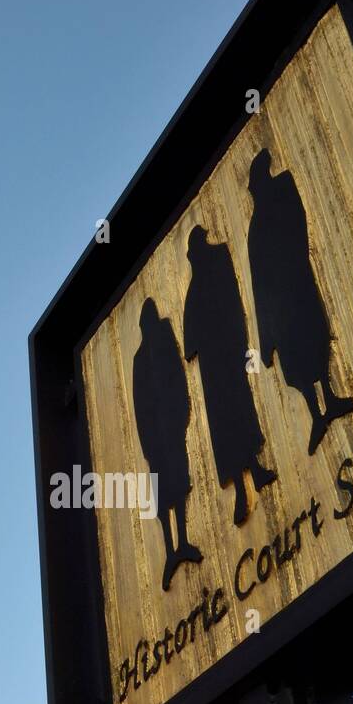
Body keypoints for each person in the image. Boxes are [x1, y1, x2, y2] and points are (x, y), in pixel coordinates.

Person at [247, 148, 353, 455]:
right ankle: (316, 413)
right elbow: (257, 281)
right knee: (295, 358)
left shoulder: (282, 193)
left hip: (296, 286)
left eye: (253, 184)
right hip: (279, 305)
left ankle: (330, 398)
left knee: (313, 341)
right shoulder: (255, 226)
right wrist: (266, 337)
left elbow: (299, 227)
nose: (253, 191)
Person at [183, 225, 276, 525]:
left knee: (237, 413)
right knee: (227, 419)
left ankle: (254, 471)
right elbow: (189, 347)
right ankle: (241, 487)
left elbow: (231, 303)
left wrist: (236, 340)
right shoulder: (195, 288)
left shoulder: (216, 264)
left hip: (225, 355)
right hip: (216, 365)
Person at [132, 297, 203, 592]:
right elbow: (139, 404)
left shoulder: (164, 340)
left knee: (179, 484)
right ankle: (170, 549)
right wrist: (148, 445)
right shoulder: (139, 359)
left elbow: (177, 377)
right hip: (155, 440)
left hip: (172, 429)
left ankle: (184, 540)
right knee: (163, 495)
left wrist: (182, 415)